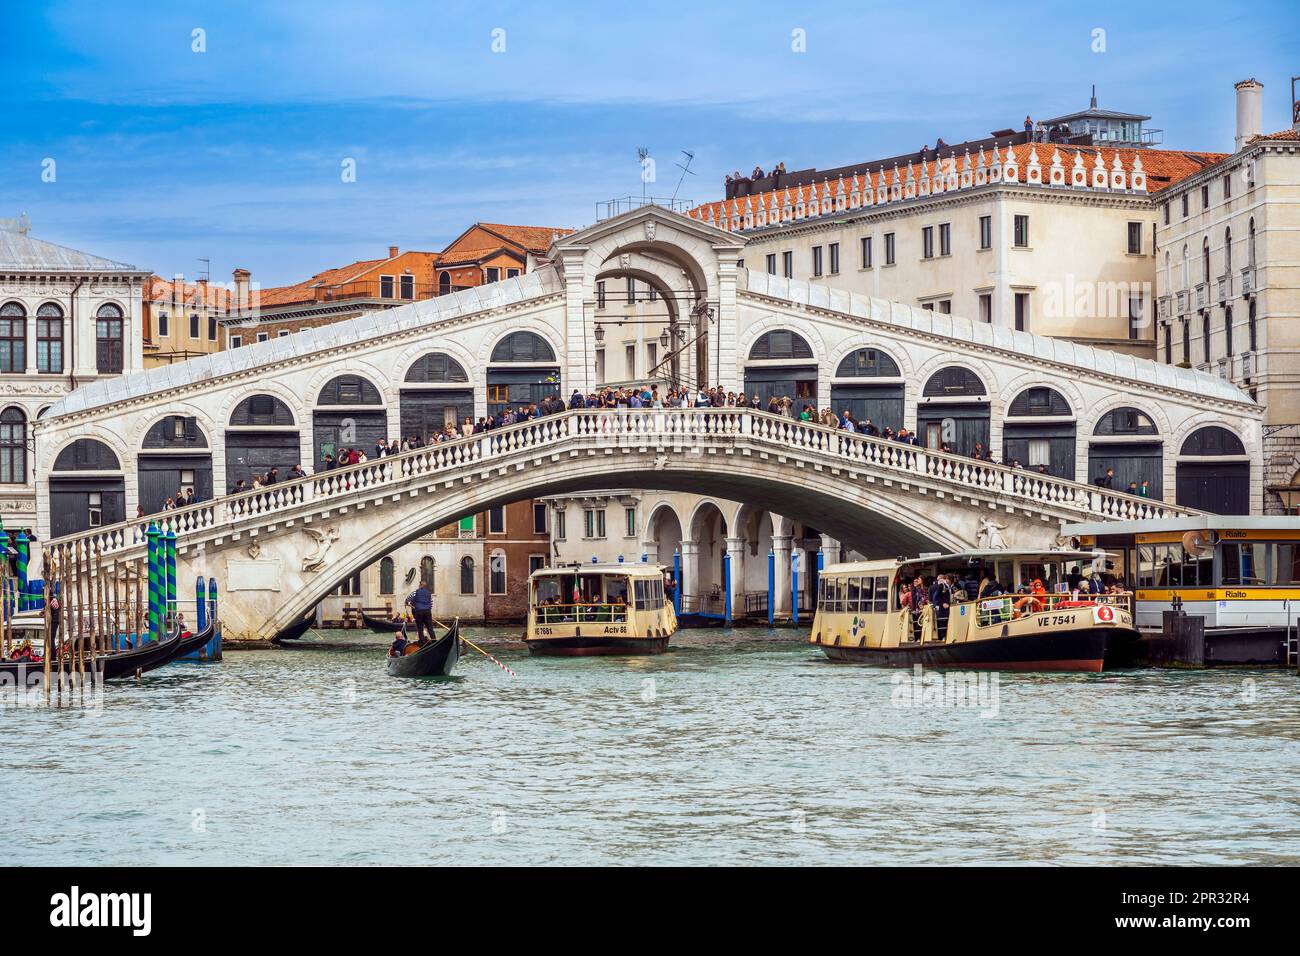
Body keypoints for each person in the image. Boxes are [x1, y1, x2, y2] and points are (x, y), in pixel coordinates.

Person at [405, 578, 435, 644]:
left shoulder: (415, 592)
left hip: (419, 612)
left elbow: (407, 600)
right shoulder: (429, 593)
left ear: (420, 585)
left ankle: (422, 642)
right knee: (430, 628)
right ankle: (434, 641)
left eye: (419, 585)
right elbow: (431, 603)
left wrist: (411, 605)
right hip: (427, 611)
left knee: (420, 628)